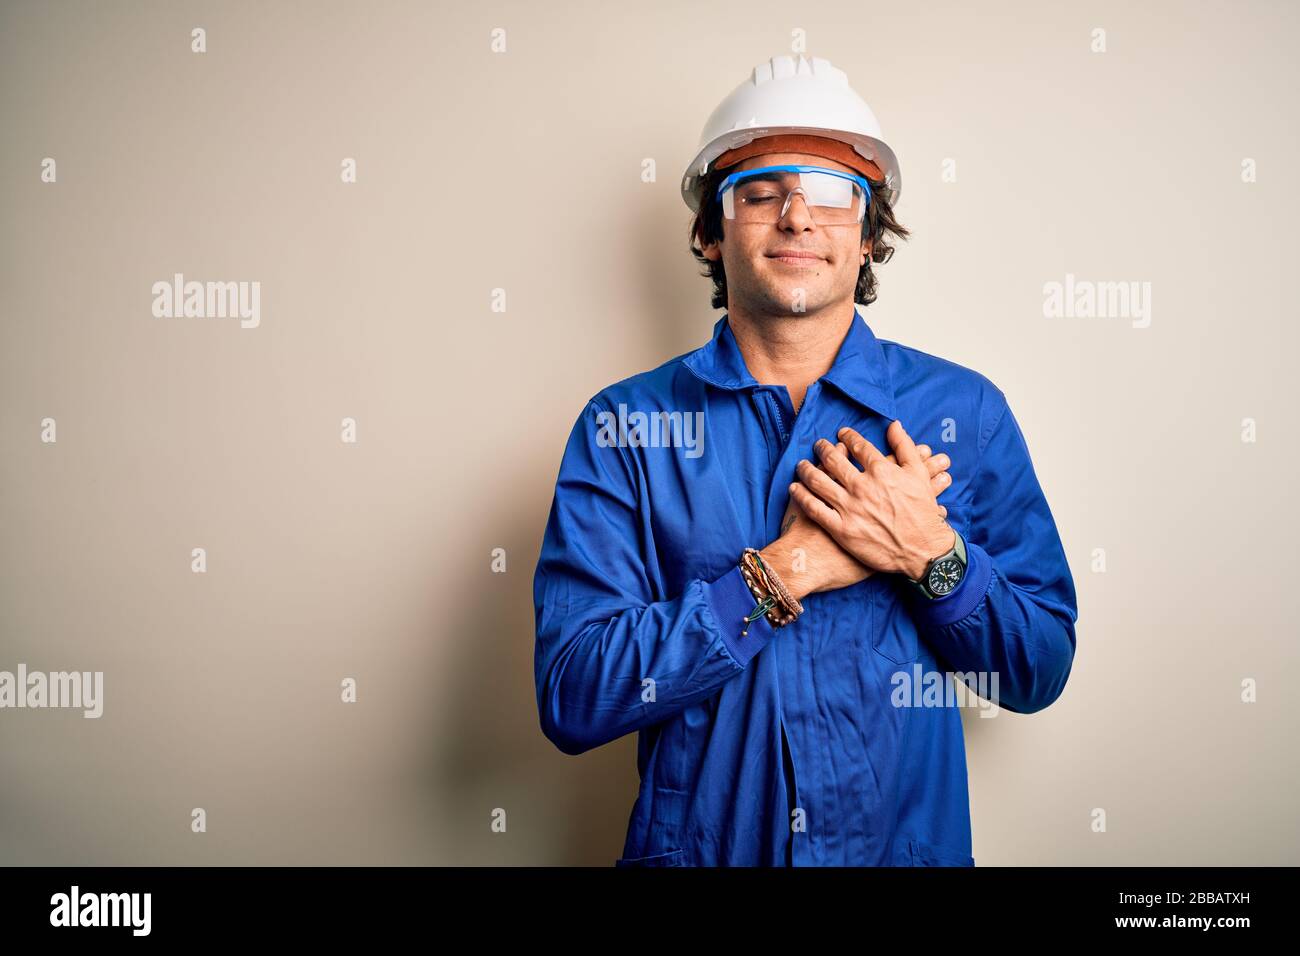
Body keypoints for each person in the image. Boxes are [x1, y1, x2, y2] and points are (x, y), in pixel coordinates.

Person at [532, 54, 1078, 866]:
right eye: (759, 192)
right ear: (709, 234)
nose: (797, 217)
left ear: (867, 237)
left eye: (831, 194)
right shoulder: (627, 427)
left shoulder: (964, 414)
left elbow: (1034, 671)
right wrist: (784, 570)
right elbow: (576, 695)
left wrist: (931, 555)